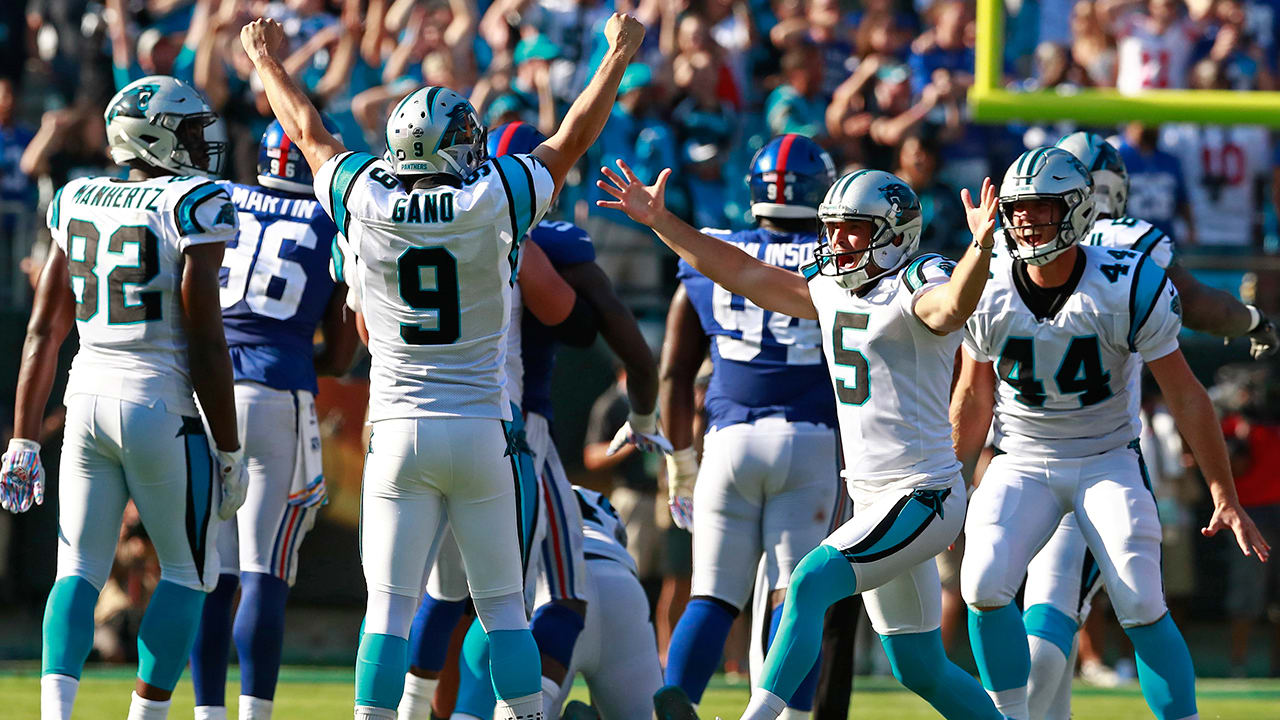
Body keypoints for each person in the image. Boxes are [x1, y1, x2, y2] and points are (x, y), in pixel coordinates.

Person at [238, 12, 646, 720]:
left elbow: (308, 132)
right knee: (504, 614)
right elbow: (571, 135)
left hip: (396, 431)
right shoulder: (497, 197)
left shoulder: (364, 196)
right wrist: (613, 57)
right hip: (483, 430)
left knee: (389, 614)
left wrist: (268, 61)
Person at [596, 159, 1006, 720]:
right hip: (874, 496)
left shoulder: (918, 280)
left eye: (851, 228)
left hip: (922, 493)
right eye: (832, 227)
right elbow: (742, 273)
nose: (836, 240)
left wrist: (979, 251)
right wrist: (663, 223)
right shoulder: (832, 287)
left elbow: (952, 304)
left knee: (810, 579)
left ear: (893, 235)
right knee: (920, 667)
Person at [952, 146, 1270, 720]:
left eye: (1042, 210)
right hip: (1021, 458)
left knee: (1142, 598)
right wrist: (950, 487)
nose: (1025, 221)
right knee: (982, 582)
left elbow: (1186, 394)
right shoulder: (987, 279)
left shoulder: (1127, 282)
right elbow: (973, 398)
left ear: (1076, 210)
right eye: (1019, 210)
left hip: (1107, 457)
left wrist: (1224, 493)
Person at [0, 74, 247, 720]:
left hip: (84, 399)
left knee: (75, 570)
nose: (200, 141)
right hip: (158, 402)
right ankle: (147, 716)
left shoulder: (78, 194)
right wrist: (227, 447)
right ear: (153, 135)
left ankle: (56, 713)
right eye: (188, 129)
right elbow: (205, 338)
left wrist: (24, 437)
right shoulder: (195, 200)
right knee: (191, 574)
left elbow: (44, 329)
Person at [399, 121, 664, 720]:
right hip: (513, 428)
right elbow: (602, 333)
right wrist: (644, 416)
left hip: (407, 420)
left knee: (429, 598)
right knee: (544, 598)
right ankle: (518, 712)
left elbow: (359, 325)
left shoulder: (395, 221)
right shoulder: (547, 242)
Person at [655, 134, 842, 720]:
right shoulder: (842, 257)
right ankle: (787, 714)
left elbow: (673, 374)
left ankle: (676, 700)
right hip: (810, 439)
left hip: (728, 440)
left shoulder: (717, 251)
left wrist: (679, 462)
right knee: (796, 596)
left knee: (711, 596)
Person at [187, 116, 360, 720]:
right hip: (275, 392)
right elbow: (341, 350)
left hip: (205, 390)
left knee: (213, 570)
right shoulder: (328, 217)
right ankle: (254, 714)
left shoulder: (223, 198)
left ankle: (206, 711)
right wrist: (304, 356)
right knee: (265, 569)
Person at [450, 485, 665, 720]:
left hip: (550, 587)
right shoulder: (595, 501)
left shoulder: (519, 495)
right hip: (621, 585)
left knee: (525, 712)